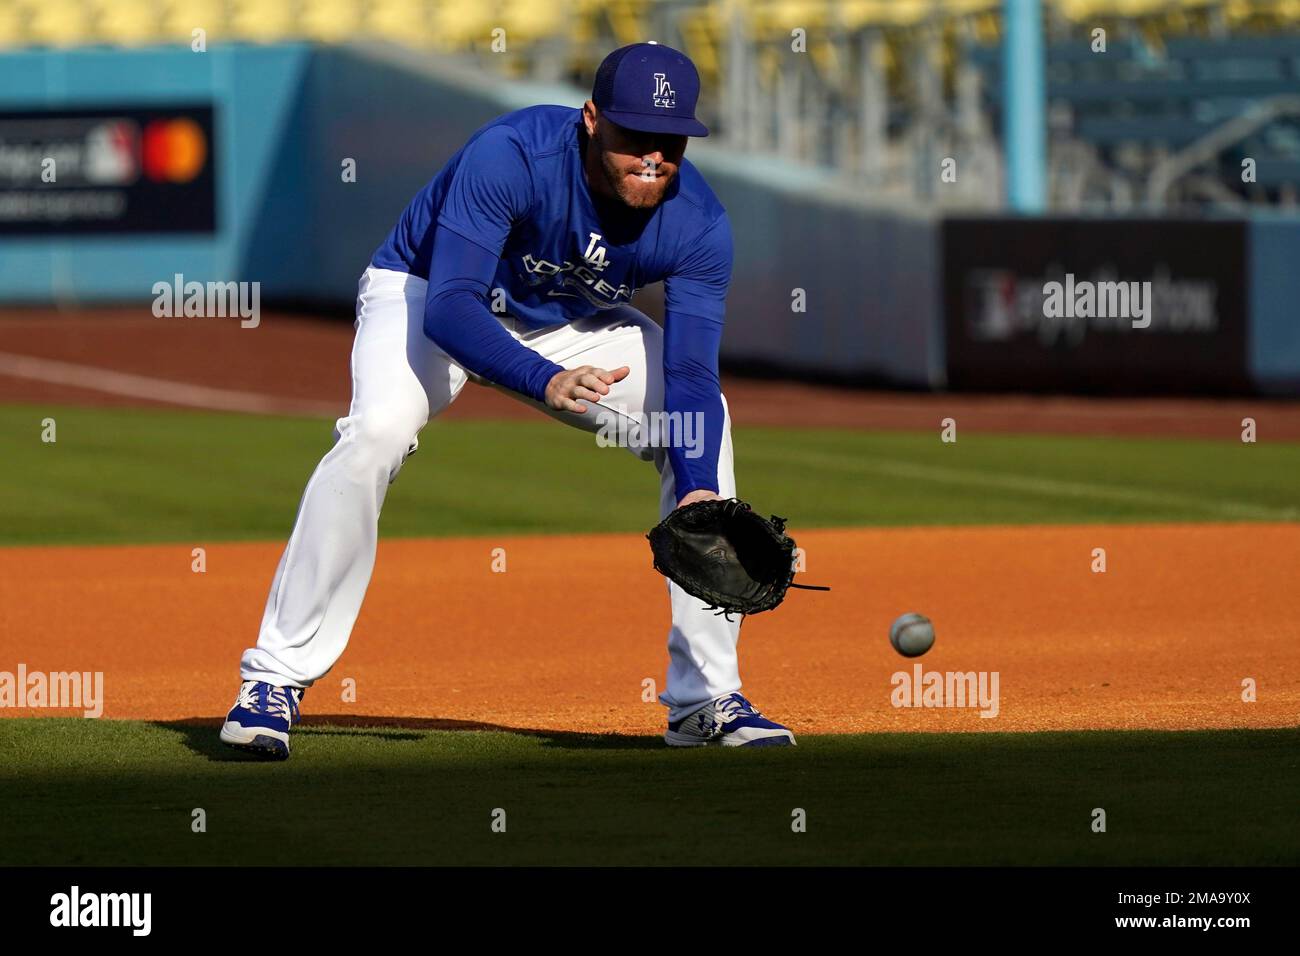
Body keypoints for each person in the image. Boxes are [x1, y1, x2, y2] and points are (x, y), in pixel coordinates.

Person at [219, 42, 794, 759]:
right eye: (633, 137)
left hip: (567, 322)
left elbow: (692, 376)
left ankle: (703, 700)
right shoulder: (512, 155)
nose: (652, 156)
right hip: (425, 292)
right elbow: (452, 308)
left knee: (701, 437)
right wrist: (540, 378)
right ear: (591, 121)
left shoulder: (699, 224)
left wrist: (698, 489)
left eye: (669, 141)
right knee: (377, 430)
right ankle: (273, 679)